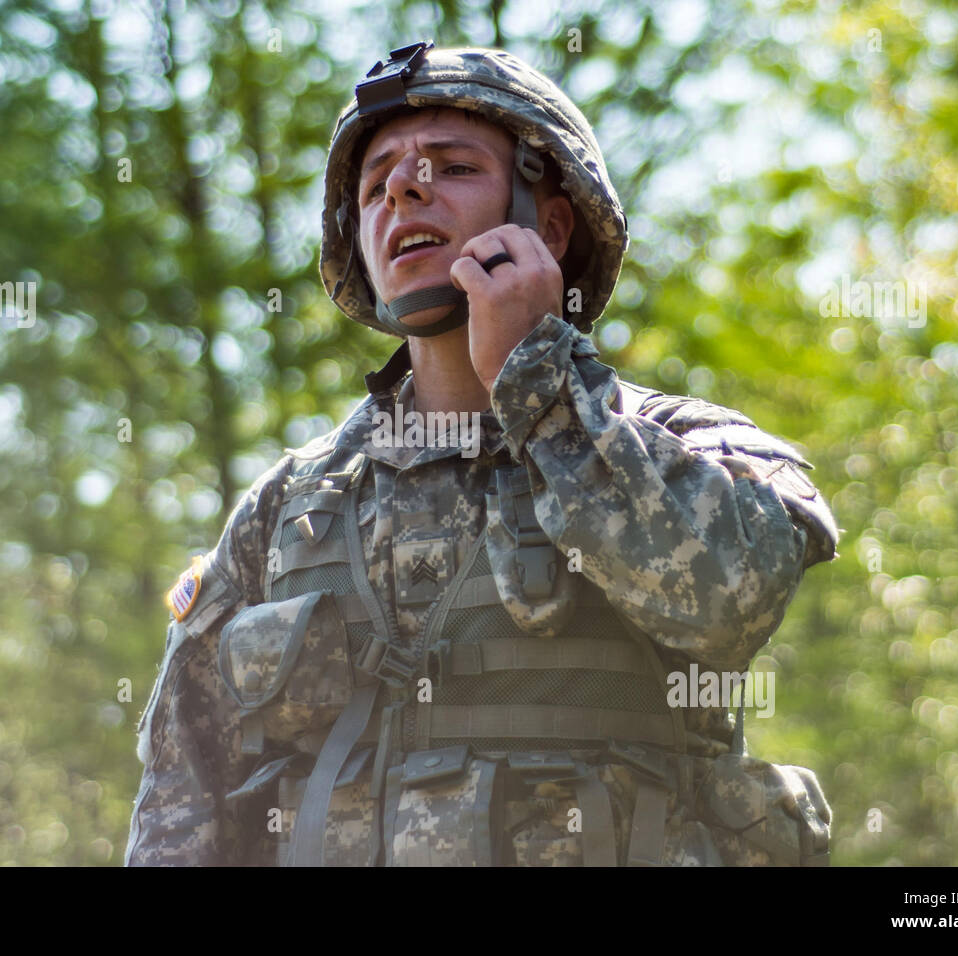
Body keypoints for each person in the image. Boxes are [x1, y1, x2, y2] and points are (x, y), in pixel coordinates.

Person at [125, 41, 839, 867]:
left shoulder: (687, 445)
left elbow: (730, 601)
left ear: (553, 223)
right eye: (378, 179)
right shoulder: (289, 509)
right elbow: (183, 799)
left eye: (453, 166)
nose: (403, 187)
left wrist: (535, 382)